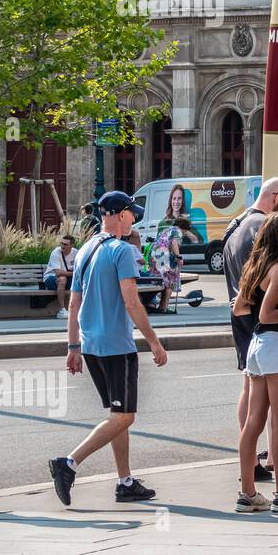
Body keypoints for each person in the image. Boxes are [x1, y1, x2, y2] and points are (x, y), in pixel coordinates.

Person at [48, 191, 168, 508]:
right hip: (117, 346)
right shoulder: (121, 251)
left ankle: (125, 481)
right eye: (130, 214)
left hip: (91, 345)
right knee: (124, 416)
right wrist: (154, 341)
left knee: (117, 414)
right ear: (116, 214)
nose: (133, 219)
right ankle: (69, 463)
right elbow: (131, 301)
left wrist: (73, 346)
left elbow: (74, 303)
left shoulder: (86, 249)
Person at [231, 213, 278, 514]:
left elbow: (239, 309)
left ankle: (247, 493)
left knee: (253, 423)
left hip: (257, 348)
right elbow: (265, 314)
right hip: (276, 346)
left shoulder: (256, 265)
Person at [149, 217, 191, 313]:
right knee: (171, 281)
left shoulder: (167, 230)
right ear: (184, 228)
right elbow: (174, 242)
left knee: (163, 281)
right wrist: (179, 257)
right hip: (162, 256)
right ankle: (163, 307)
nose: (185, 234)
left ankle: (159, 305)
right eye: (186, 231)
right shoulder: (178, 231)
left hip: (153, 255)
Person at [43, 234, 78, 319]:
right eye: (61, 243)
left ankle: (75, 308)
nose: (62, 246)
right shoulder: (56, 252)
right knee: (62, 279)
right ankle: (62, 310)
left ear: (71, 245)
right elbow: (58, 272)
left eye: (65, 244)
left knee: (80, 281)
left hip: (67, 279)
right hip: (50, 279)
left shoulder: (76, 253)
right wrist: (74, 274)